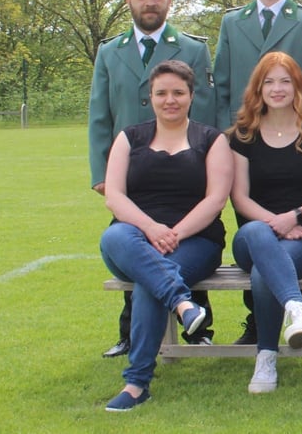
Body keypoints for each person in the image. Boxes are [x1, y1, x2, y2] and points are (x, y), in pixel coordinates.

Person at [89, 0, 216, 357]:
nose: (149, 2)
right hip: (132, 175)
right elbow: (99, 115)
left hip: (185, 170)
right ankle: (130, 334)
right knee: (134, 244)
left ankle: (198, 328)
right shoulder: (110, 52)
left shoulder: (193, 49)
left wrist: (205, 164)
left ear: (168, 2)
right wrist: (102, 174)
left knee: (183, 243)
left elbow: (208, 111)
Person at [215, 0, 302, 345]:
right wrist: (222, 144)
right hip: (248, 143)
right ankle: (260, 321)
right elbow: (223, 87)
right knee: (252, 226)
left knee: (283, 235)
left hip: (297, 140)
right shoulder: (232, 22)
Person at [99, 60, 232, 411]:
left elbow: (216, 198)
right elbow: (115, 196)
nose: (169, 100)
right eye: (161, 93)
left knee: (149, 282)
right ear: (150, 97)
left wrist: (176, 232)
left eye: (178, 92)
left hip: (196, 241)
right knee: (113, 238)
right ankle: (182, 303)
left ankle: (136, 384)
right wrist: (151, 228)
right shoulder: (130, 137)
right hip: (134, 239)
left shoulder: (211, 139)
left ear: (191, 96)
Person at [228, 52, 302, 394]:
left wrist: (296, 217)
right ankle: (299, 310)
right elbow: (239, 198)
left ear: (298, 86)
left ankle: (266, 357)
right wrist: (277, 223)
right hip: (252, 236)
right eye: (269, 82)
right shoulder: (242, 135)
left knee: (264, 272)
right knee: (258, 233)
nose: (277, 88)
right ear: (258, 89)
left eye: (285, 81)